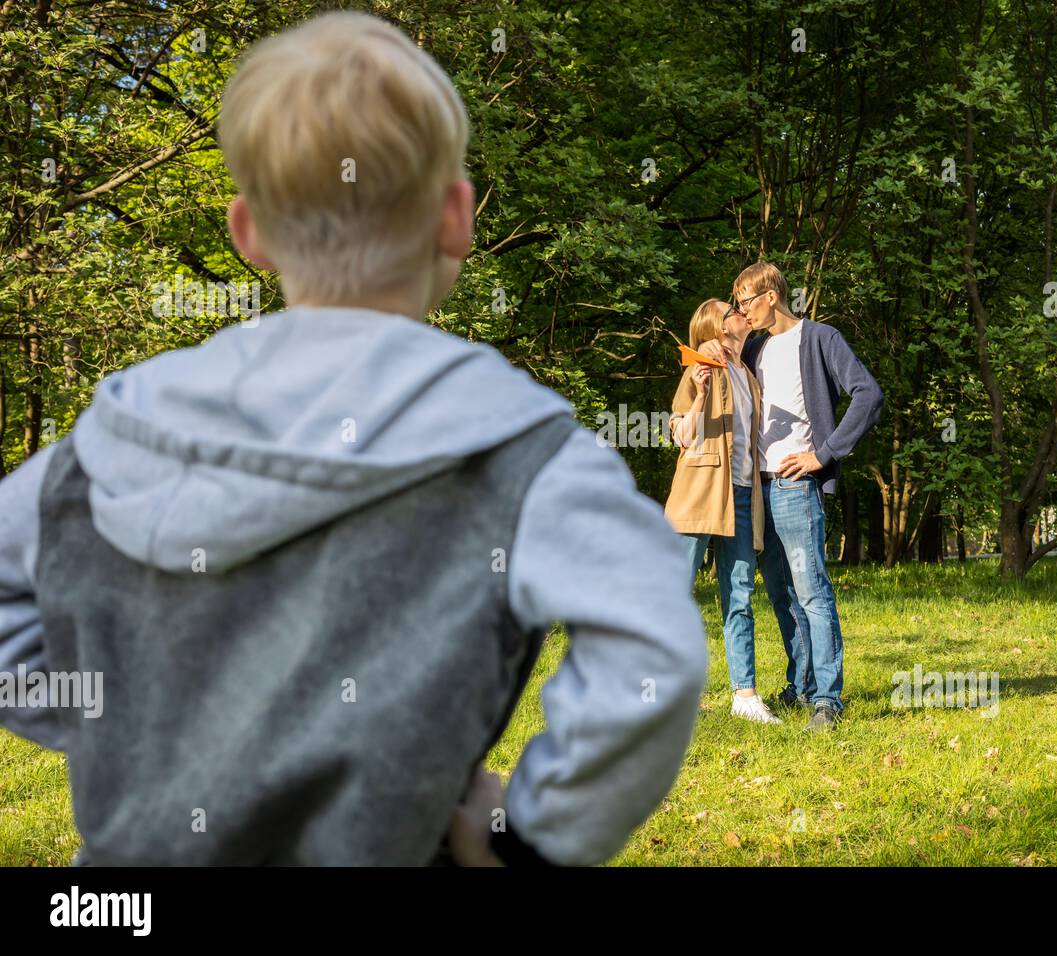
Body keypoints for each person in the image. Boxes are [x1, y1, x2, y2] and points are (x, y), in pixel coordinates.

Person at [0, 10, 707, 866]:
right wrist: (529, 839)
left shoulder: (115, 440)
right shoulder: (517, 447)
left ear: (248, 231)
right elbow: (653, 652)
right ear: (458, 217)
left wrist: (127, 730)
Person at [700, 263, 883, 732]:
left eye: (745, 301)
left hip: (795, 487)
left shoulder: (820, 339)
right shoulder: (755, 347)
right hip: (754, 488)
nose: (741, 310)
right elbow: (714, 352)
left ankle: (827, 700)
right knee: (781, 595)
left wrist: (824, 454)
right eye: (737, 303)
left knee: (812, 591)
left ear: (771, 297)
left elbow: (868, 394)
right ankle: (800, 687)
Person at [664, 299, 780, 725]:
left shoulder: (747, 373)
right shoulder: (700, 368)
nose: (740, 311)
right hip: (700, 491)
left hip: (744, 494)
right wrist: (699, 399)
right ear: (718, 324)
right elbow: (680, 433)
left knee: (740, 594)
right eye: (733, 308)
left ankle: (745, 695)